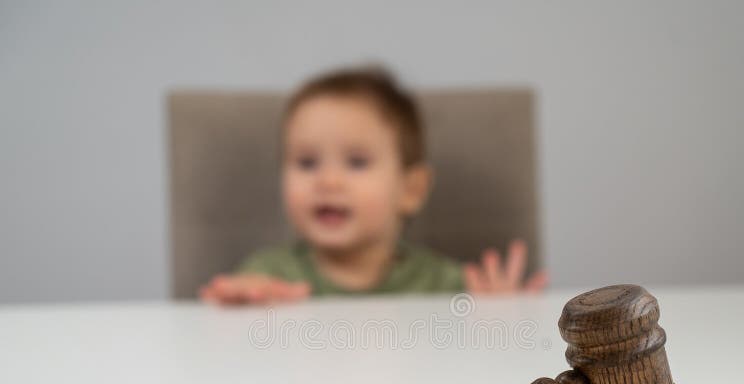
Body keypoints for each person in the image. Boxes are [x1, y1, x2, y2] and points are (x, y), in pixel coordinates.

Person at [200, 66, 548, 305]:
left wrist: (504, 314)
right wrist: (238, 303)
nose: (327, 181)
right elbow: (209, 332)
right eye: (307, 163)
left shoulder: (448, 286)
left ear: (411, 190)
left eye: (356, 162)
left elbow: (481, 360)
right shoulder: (271, 276)